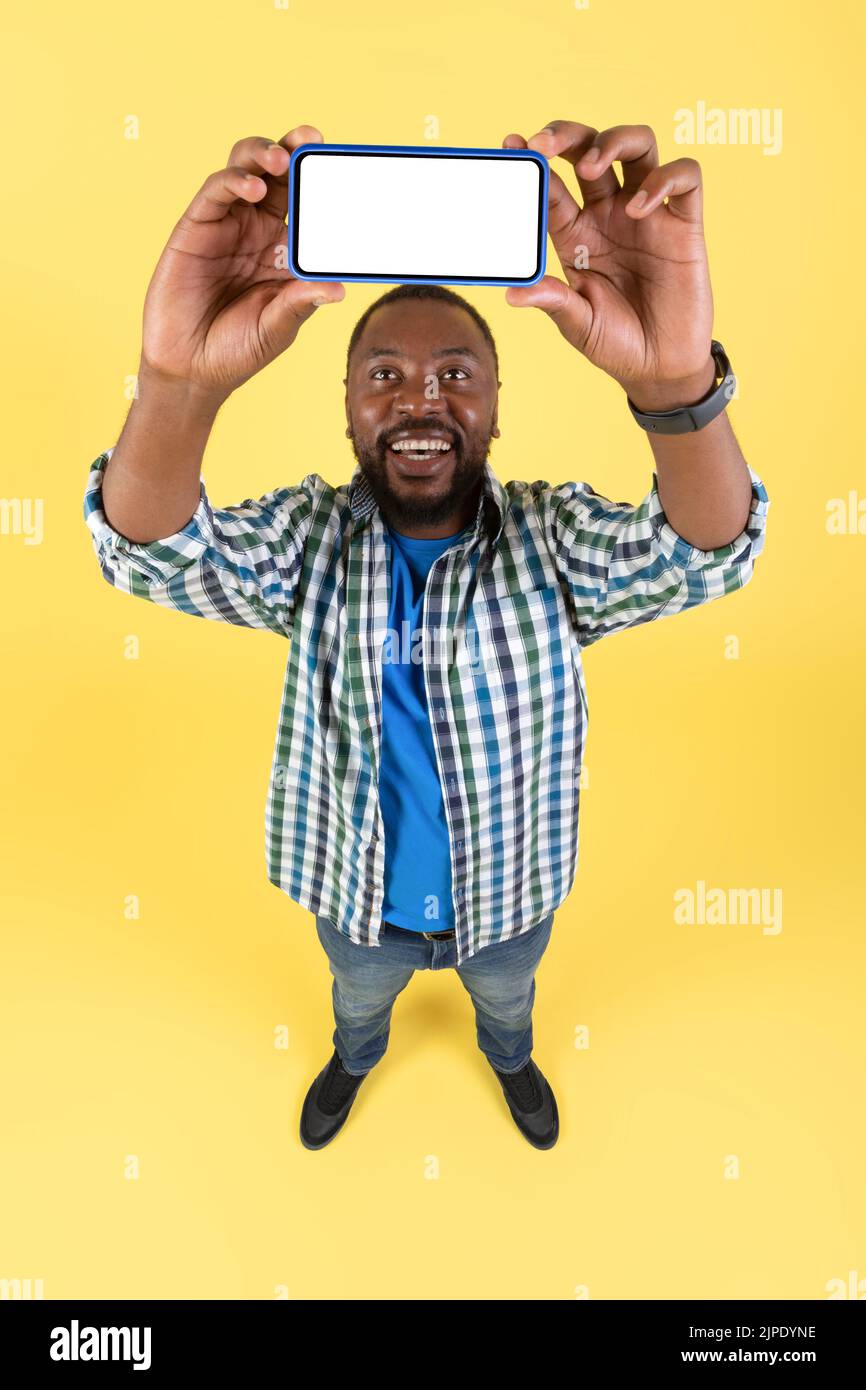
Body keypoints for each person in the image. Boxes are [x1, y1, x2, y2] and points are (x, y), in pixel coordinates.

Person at [83, 121, 770, 1152]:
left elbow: (703, 554)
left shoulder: (551, 540)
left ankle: (508, 1056)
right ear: (348, 410)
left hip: (512, 895)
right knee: (358, 1002)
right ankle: (355, 1054)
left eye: (455, 375)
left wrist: (673, 389)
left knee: (506, 1001)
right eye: (383, 377)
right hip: (356, 905)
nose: (419, 399)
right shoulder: (309, 541)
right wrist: (178, 385)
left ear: (494, 407)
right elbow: (150, 555)